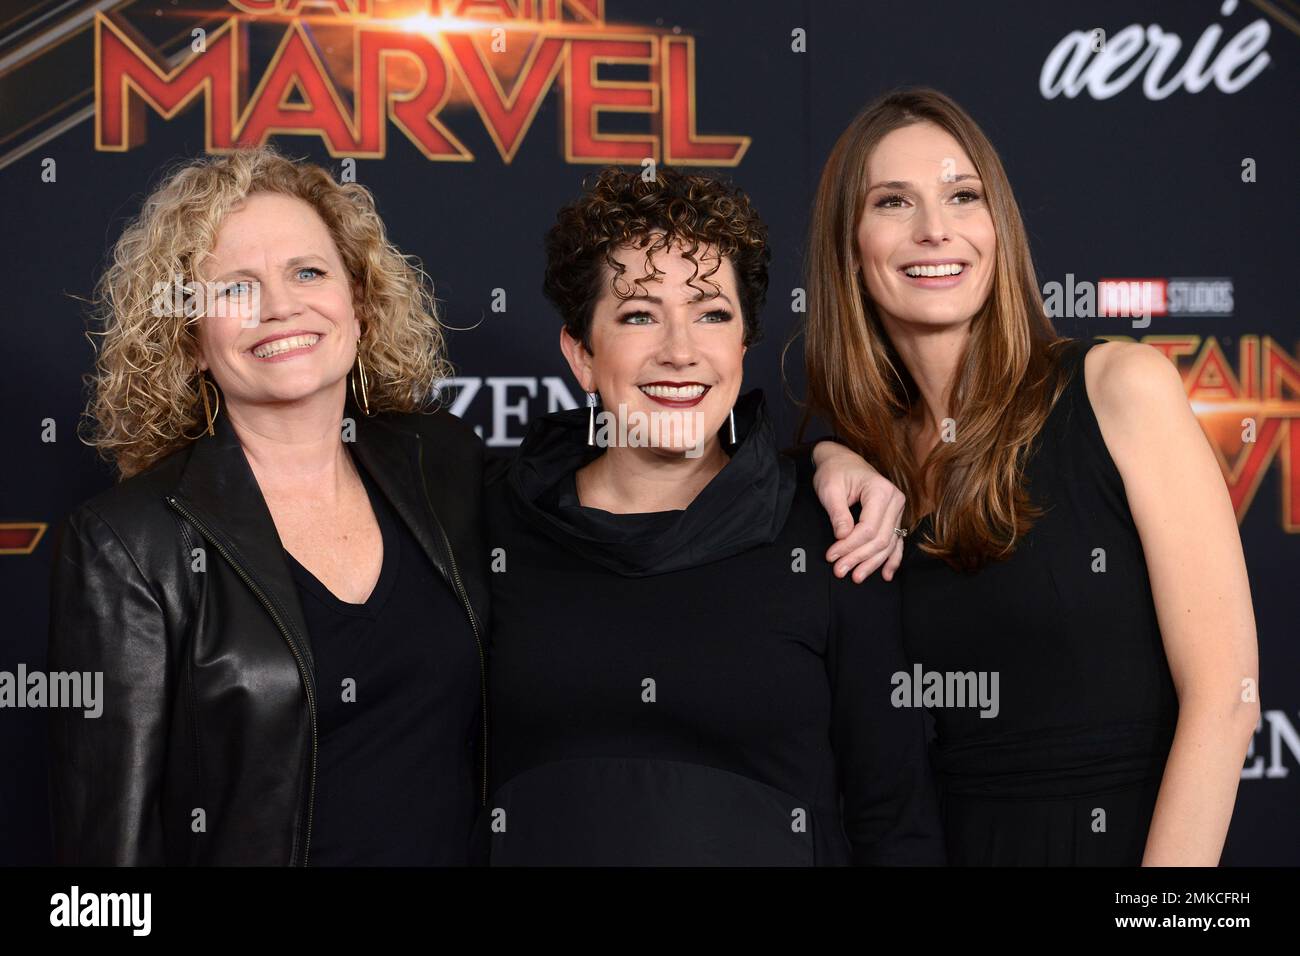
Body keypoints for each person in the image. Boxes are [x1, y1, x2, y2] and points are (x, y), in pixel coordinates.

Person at [802, 87, 1260, 865]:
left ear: (998, 226)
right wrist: (828, 451)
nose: (935, 229)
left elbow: (1227, 701)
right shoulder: (865, 470)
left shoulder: (1121, 387)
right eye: (893, 202)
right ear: (849, 246)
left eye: (962, 195)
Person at [477, 166, 946, 866]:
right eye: (638, 314)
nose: (680, 349)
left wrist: (824, 456)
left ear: (742, 347)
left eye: (711, 313)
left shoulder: (834, 534)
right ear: (581, 353)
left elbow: (894, 821)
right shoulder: (491, 522)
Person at [47, 146, 489, 865]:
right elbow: (106, 859)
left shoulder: (445, 465)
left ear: (360, 302)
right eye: (234, 289)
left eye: (308, 272)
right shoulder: (129, 544)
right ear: (190, 340)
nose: (281, 306)